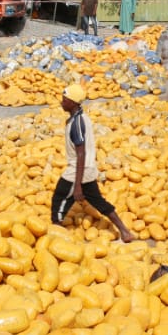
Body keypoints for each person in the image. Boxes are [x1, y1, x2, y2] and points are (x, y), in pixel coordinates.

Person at [51, 83, 135, 242]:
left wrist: (77, 185)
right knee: (98, 201)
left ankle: (57, 232)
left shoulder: (76, 124)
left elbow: (80, 153)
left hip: (78, 169)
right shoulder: (80, 118)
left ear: (74, 102)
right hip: (87, 169)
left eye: (65, 100)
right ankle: (125, 231)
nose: (62, 102)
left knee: (59, 198)